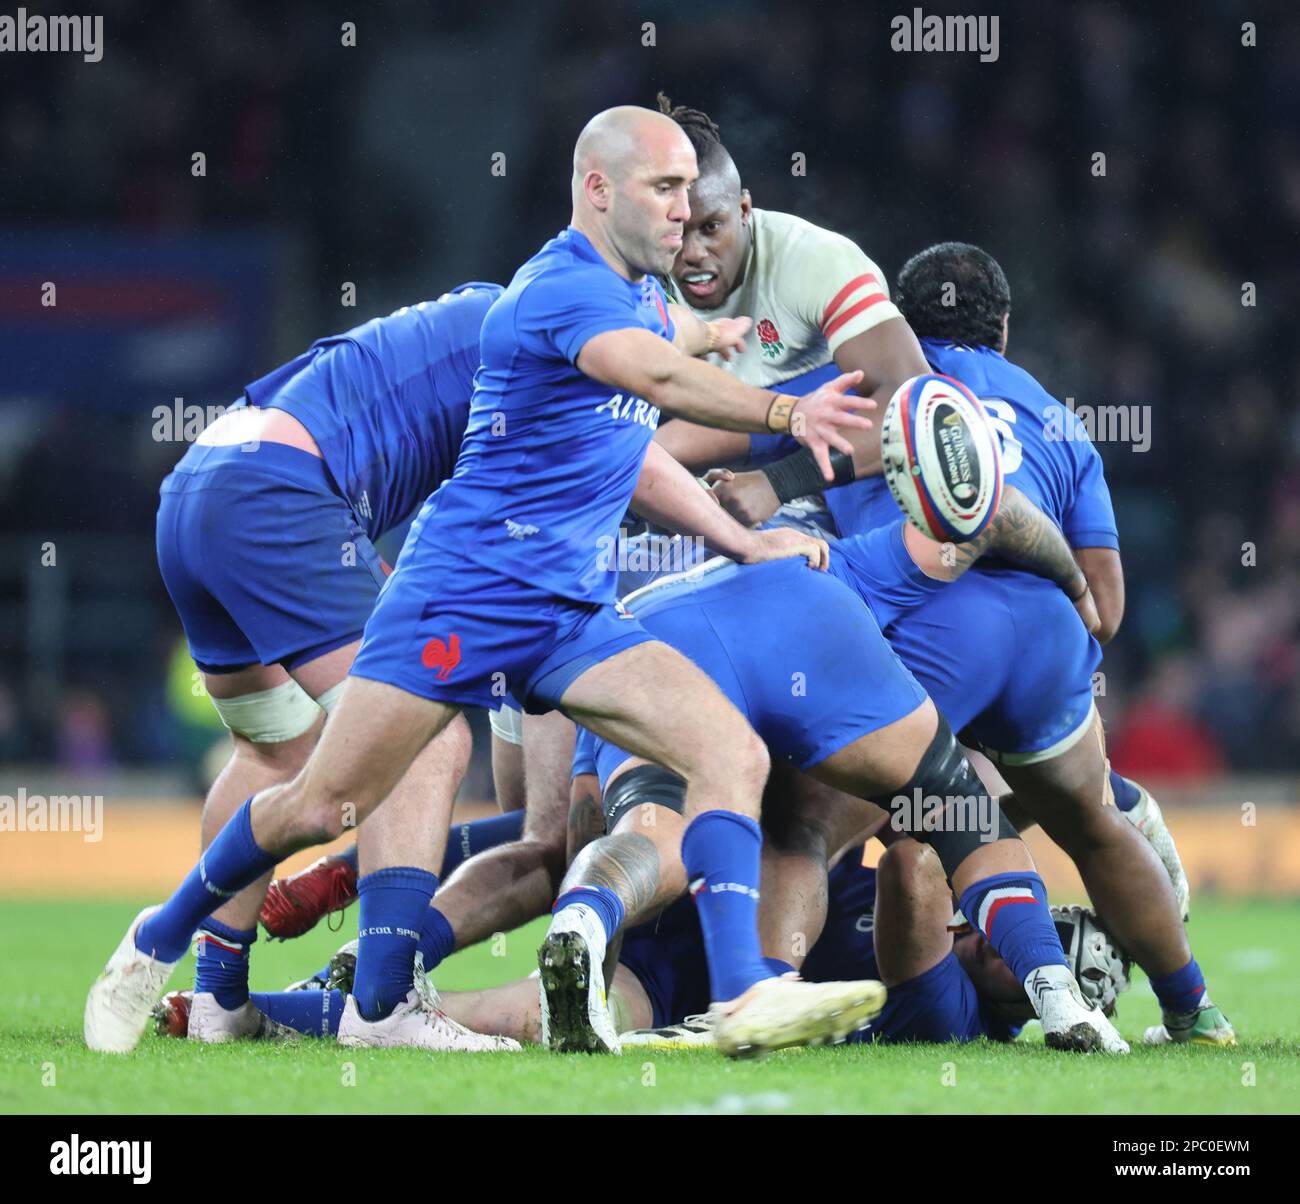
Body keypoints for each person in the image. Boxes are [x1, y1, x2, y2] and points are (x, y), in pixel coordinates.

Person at [85, 104, 880, 1058]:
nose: (684, 211)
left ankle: (746, 995)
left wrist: (742, 532)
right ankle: (158, 940)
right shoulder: (559, 288)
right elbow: (657, 385)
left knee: (730, 757)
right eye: (664, 190)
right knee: (319, 804)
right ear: (597, 190)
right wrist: (789, 413)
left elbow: (636, 441)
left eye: (691, 193)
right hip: (465, 595)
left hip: (568, 615)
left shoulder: (630, 301)